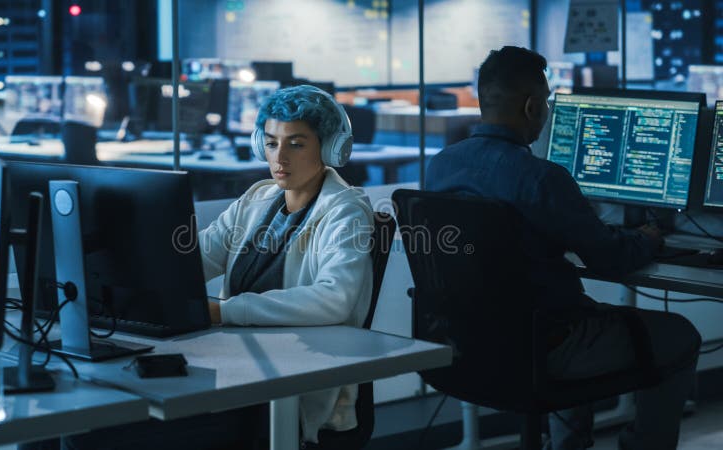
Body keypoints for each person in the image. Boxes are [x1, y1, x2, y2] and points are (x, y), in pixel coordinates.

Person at [63, 85, 374, 450]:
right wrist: (127, 268)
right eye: (271, 143)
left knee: (90, 437)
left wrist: (223, 311)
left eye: (296, 144)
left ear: (330, 148)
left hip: (289, 386)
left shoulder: (345, 212)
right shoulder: (258, 199)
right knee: (73, 425)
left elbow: (334, 298)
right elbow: (193, 262)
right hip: (239, 366)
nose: (279, 157)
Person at [425, 46, 700, 450]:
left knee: (575, 311)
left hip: (468, 345)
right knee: (679, 334)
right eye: (547, 101)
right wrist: (647, 238)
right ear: (533, 107)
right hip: (549, 346)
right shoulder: (541, 179)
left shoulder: (440, 166)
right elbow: (610, 259)